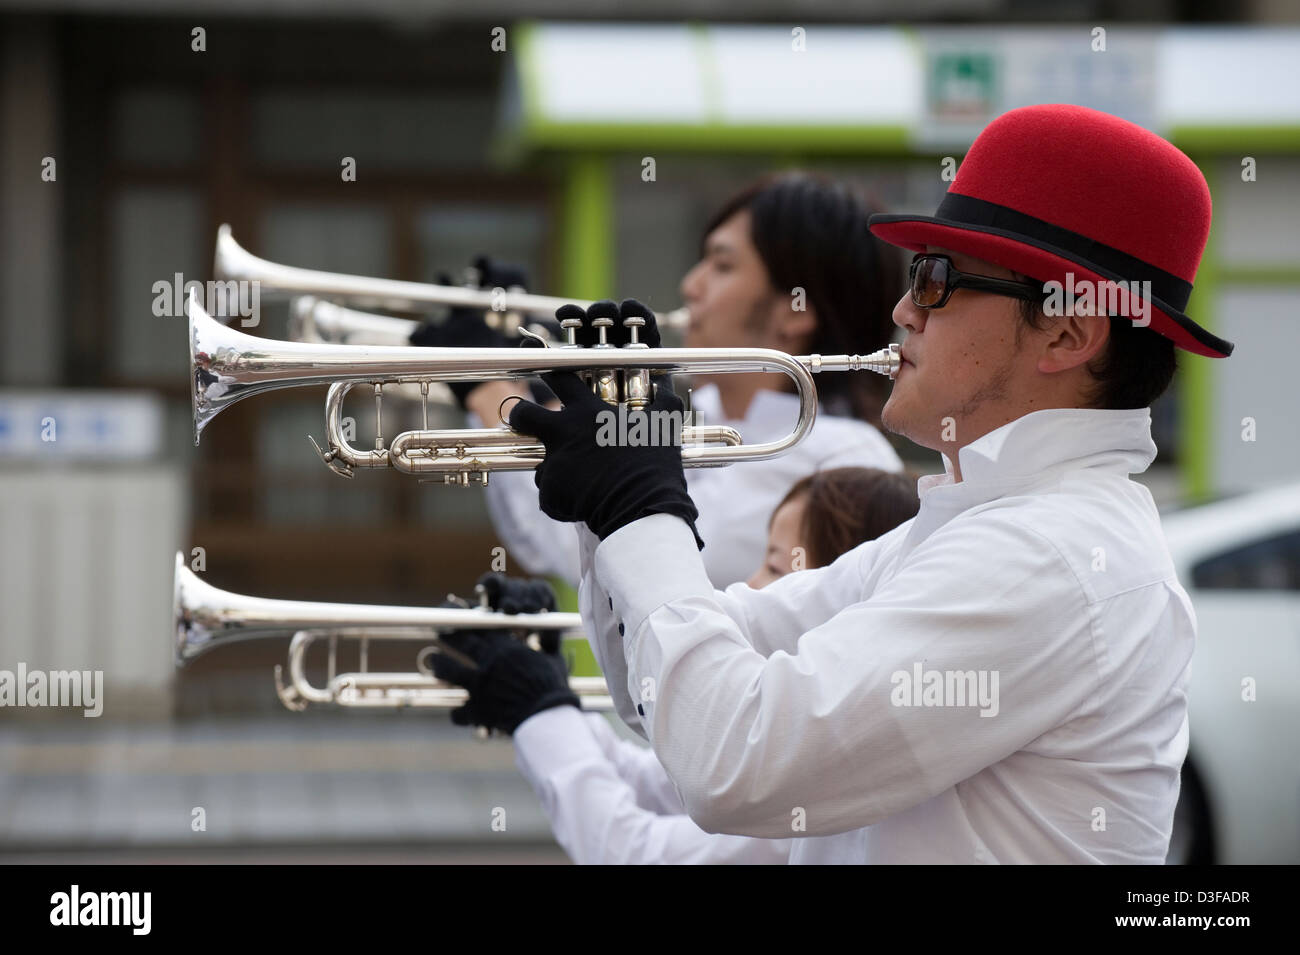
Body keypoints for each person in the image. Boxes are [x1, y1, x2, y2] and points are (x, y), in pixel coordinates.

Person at [457, 103, 1234, 864]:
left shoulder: (1048, 552)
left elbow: (736, 763)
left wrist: (639, 506)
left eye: (936, 280)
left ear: (1068, 331)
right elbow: (657, 698)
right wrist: (608, 495)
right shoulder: (983, 522)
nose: (903, 308)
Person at [417, 172, 905, 589]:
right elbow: (554, 539)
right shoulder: (704, 414)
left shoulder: (841, 458)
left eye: (723, 265)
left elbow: (616, 564)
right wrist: (521, 372)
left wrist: (491, 392)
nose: (691, 284)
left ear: (795, 310)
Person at [437, 468, 919, 864]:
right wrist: (548, 691)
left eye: (774, 565)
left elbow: (636, 853)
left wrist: (540, 714)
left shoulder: (815, 770)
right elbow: (654, 781)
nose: (750, 585)